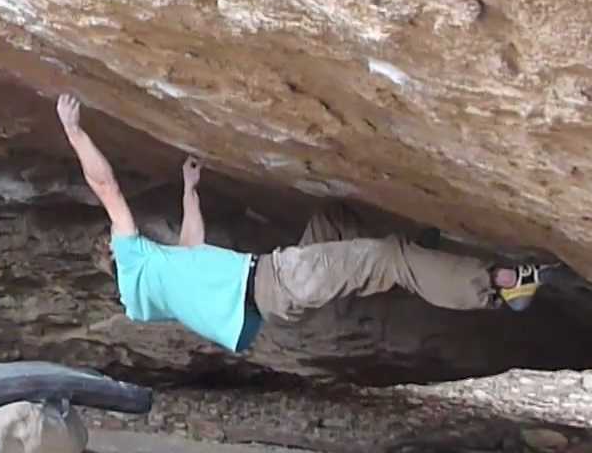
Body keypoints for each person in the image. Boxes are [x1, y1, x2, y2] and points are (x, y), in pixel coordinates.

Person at [55, 94, 556, 353]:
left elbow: (194, 250)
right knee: (390, 258)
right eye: (117, 236)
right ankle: (497, 285)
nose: (127, 231)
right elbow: (107, 188)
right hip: (279, 280)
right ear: (113, 252)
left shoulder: (148, 296)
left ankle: (423, 259)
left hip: (275, 296)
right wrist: (74, 131)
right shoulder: (132, 258)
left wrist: (190, 190)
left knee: (332, 218)